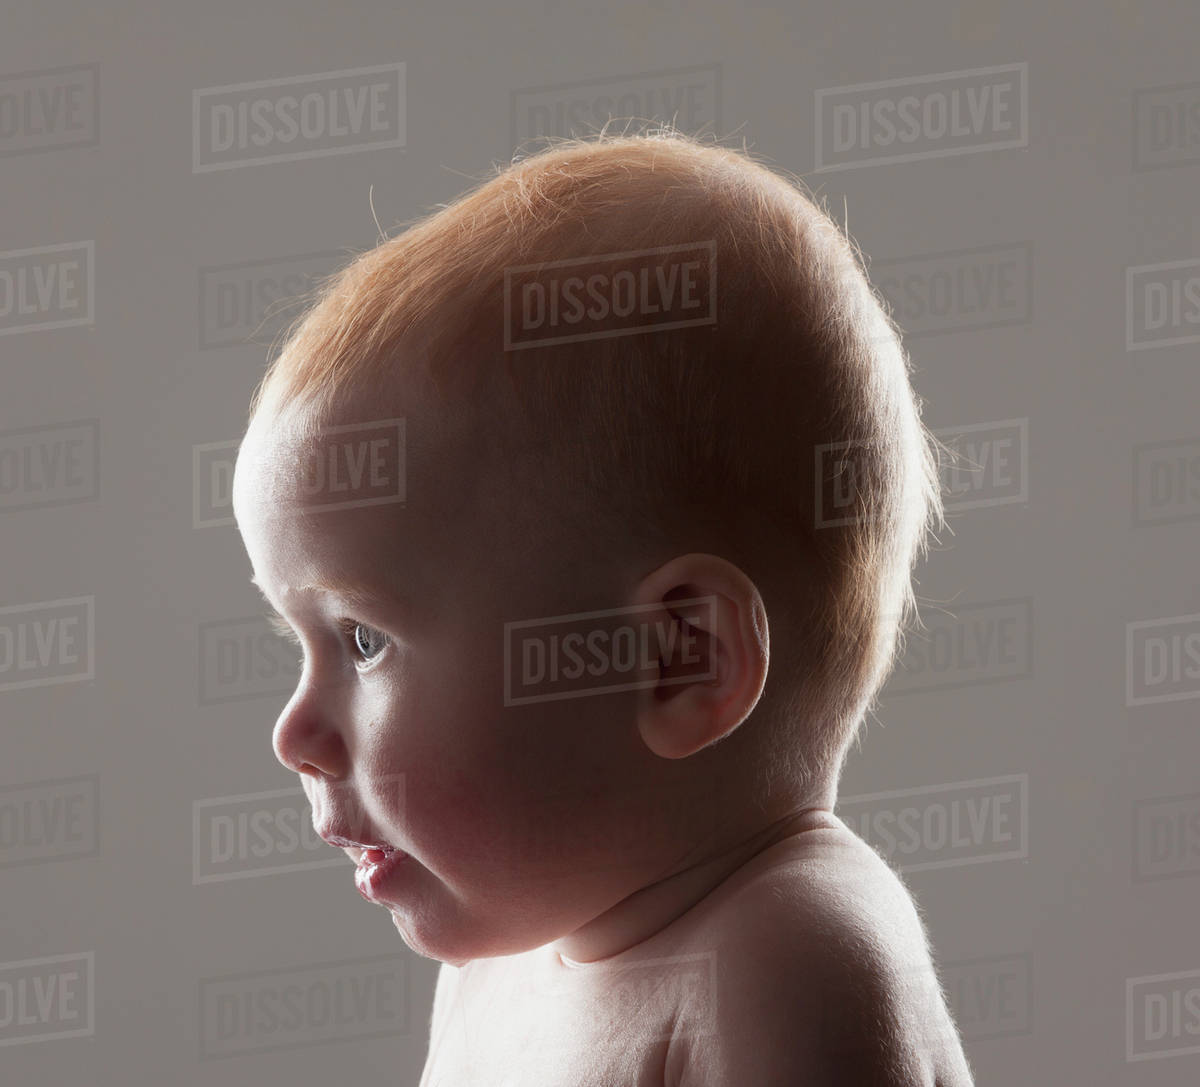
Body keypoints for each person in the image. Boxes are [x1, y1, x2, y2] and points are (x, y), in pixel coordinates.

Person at [232, 127, 974, 1085]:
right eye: (304, 643)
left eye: (364, 638)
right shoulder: (495, 968)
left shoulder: (785, 958)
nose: (296, 733)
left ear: (675, 659)